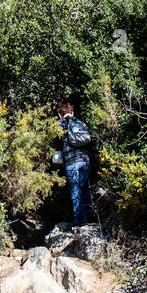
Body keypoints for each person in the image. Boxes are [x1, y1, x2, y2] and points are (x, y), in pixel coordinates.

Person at [56, 97, 94, 227]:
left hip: (71, 162)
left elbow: (55, 142)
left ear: (60, 113)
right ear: (72, 112)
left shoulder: (59, 124)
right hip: (84, 161)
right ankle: (86, 219)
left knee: (75, 191)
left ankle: (78, 222)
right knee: (83, 190)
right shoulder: (81, 122)